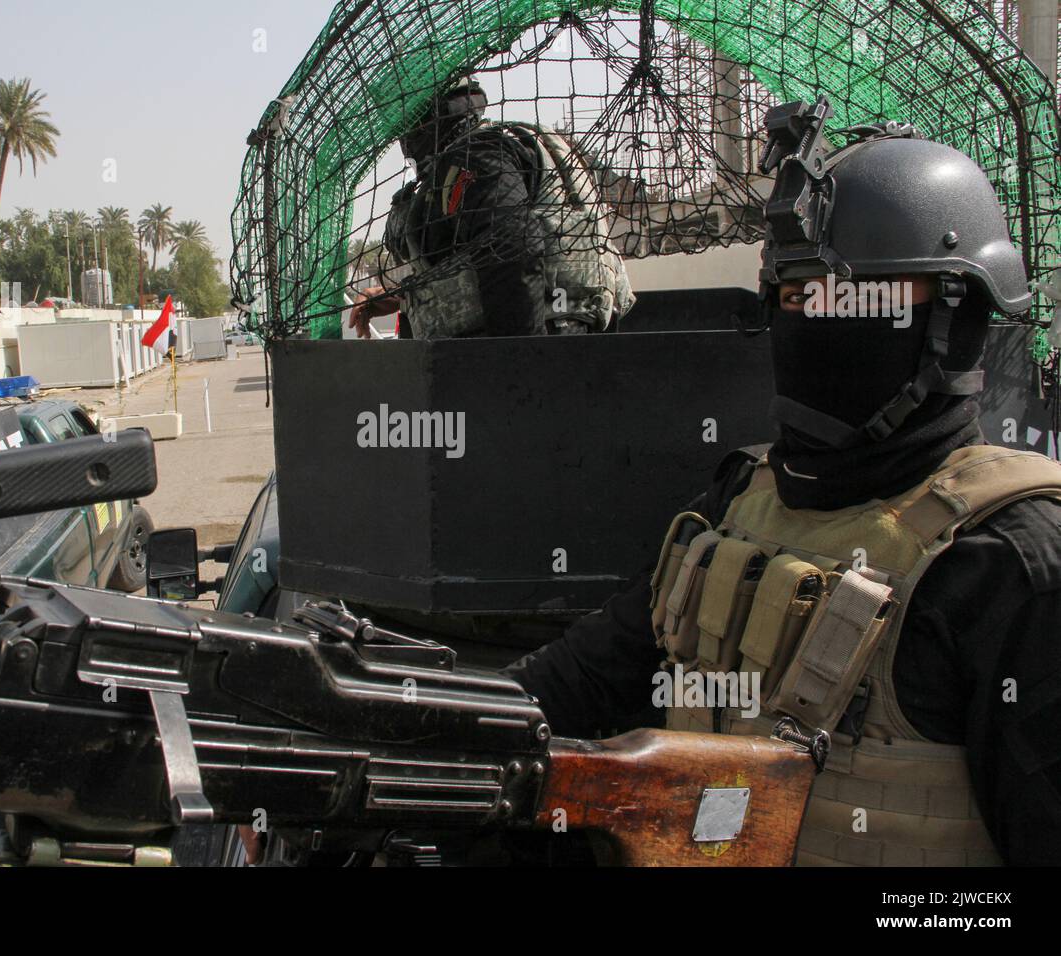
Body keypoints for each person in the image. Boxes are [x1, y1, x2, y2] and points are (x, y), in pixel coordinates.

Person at [505, 98, 1061, 866]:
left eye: (847, 296)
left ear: (955, 318)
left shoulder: (1014, 560)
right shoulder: (742, 499)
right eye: (795, 295)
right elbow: (578, 683)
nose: (812, 320)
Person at [348, 77, 634, 340]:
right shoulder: (516, 143)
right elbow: (489, 265)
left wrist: (520, 369)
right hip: (572, 347)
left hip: (532, 360)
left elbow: (513, 248)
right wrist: (404, 297)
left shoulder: (477, 156)